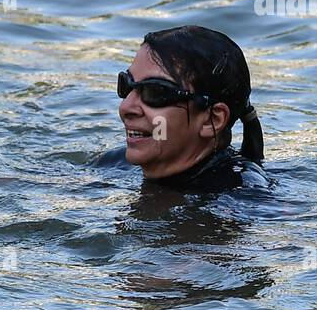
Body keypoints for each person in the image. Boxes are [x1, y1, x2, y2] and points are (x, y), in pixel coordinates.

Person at [108, 25, 269, 192]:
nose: (125, 107)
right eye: (126, 85)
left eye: (154, 92)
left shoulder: (241, 198)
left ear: (212, 120)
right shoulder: (116, 165)